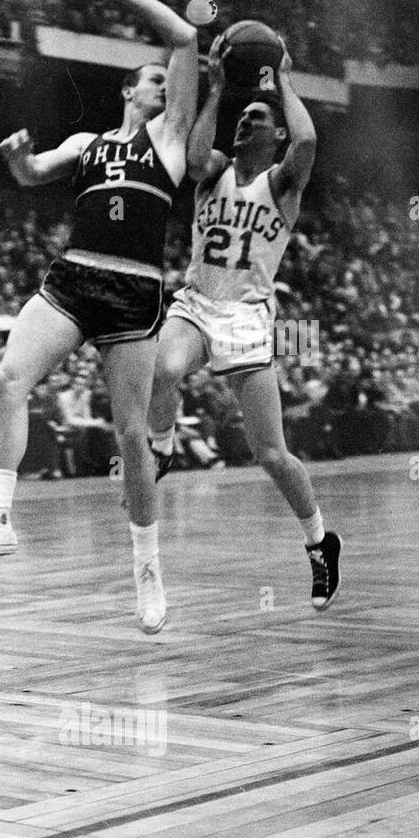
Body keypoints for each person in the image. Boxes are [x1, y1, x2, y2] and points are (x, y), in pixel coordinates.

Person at [0, 0, 199, 634]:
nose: (163, 89)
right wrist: (15, 156)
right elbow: (29, 175)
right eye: (152, 83)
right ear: (128, 92)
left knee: (131, 439)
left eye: (164, 84)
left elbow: (186, 40)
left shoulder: (170, 143)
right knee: (5, 379)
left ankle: (147, 569)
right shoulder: (87, 142)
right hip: (74, 277)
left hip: (134, 291)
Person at [148, 37, 341, 609]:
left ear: (273, 134)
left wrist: (281, 78)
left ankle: (319, 542)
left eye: (254, 118)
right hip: (198, 301)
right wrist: (216, 87)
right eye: (242, 117)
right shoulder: (212, 172)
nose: (243, 123)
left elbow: (306, 138)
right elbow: (190, 148)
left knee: (271, 454)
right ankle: (162, 446)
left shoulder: (282, 182)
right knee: (163, 367)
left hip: (248, 318)